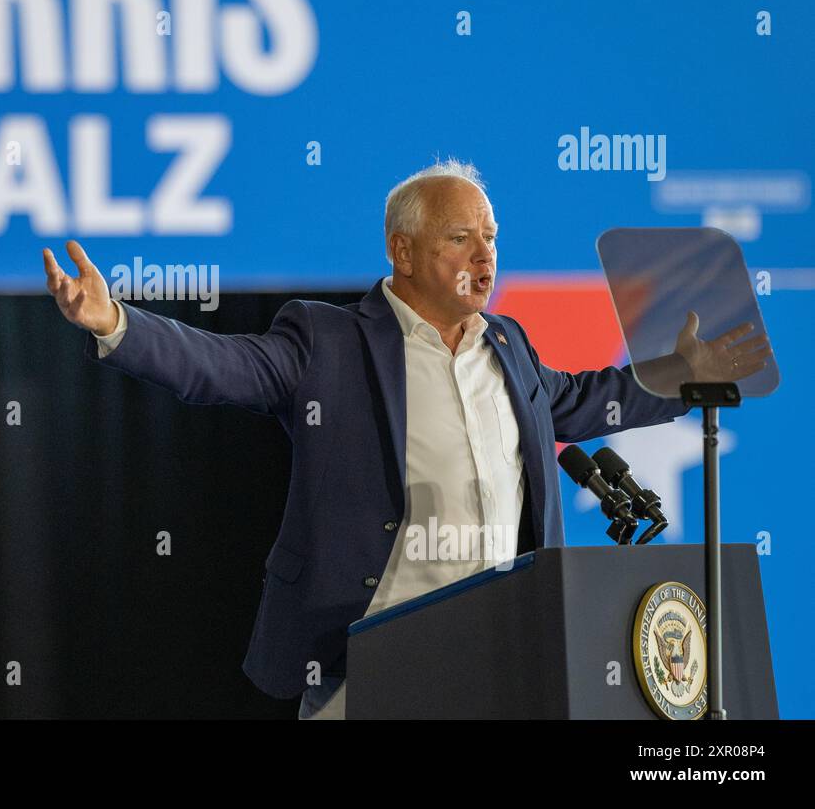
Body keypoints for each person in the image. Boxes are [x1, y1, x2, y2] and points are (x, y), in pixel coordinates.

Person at [42, 160, 772, 719]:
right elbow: (223, 368)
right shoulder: (328, 342)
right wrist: (118, 325)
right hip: (373, 669)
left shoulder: (508, 345)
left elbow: (579, 401)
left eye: (491, 237)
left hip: (506, 660)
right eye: (461, 238)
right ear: (405, 251)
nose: (485, 256)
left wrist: (680, 375)